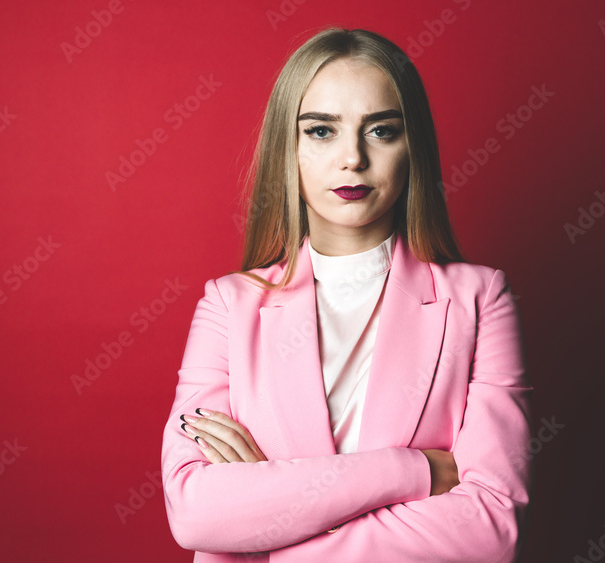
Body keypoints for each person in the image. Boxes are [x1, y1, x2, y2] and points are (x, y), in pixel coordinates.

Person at [161, 26, 532, 562]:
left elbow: (491, 531)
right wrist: (418, 470)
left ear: (414, 145)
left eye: (381, 131)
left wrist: (273, 527)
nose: (352, 158)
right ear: (286, 146)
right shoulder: (228, 306)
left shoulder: (481, 299)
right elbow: (197, 513)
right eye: (320, 131)